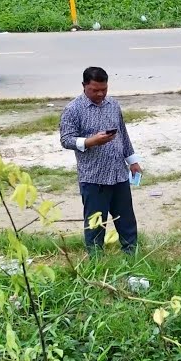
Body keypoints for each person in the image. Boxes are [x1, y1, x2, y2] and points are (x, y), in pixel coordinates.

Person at [59, 67, 143, 254]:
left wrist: (132, 161)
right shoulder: (73, 110)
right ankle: (95, 261)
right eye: (95, 90)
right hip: (93, 178)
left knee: (126, 219)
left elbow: (123, 134)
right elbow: (66, 139)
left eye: (104, 89)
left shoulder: (113, 105)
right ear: (84, 86)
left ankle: (132, 254)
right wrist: (91, 141)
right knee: (96, 223)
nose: (100, 94)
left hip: (118, 174)